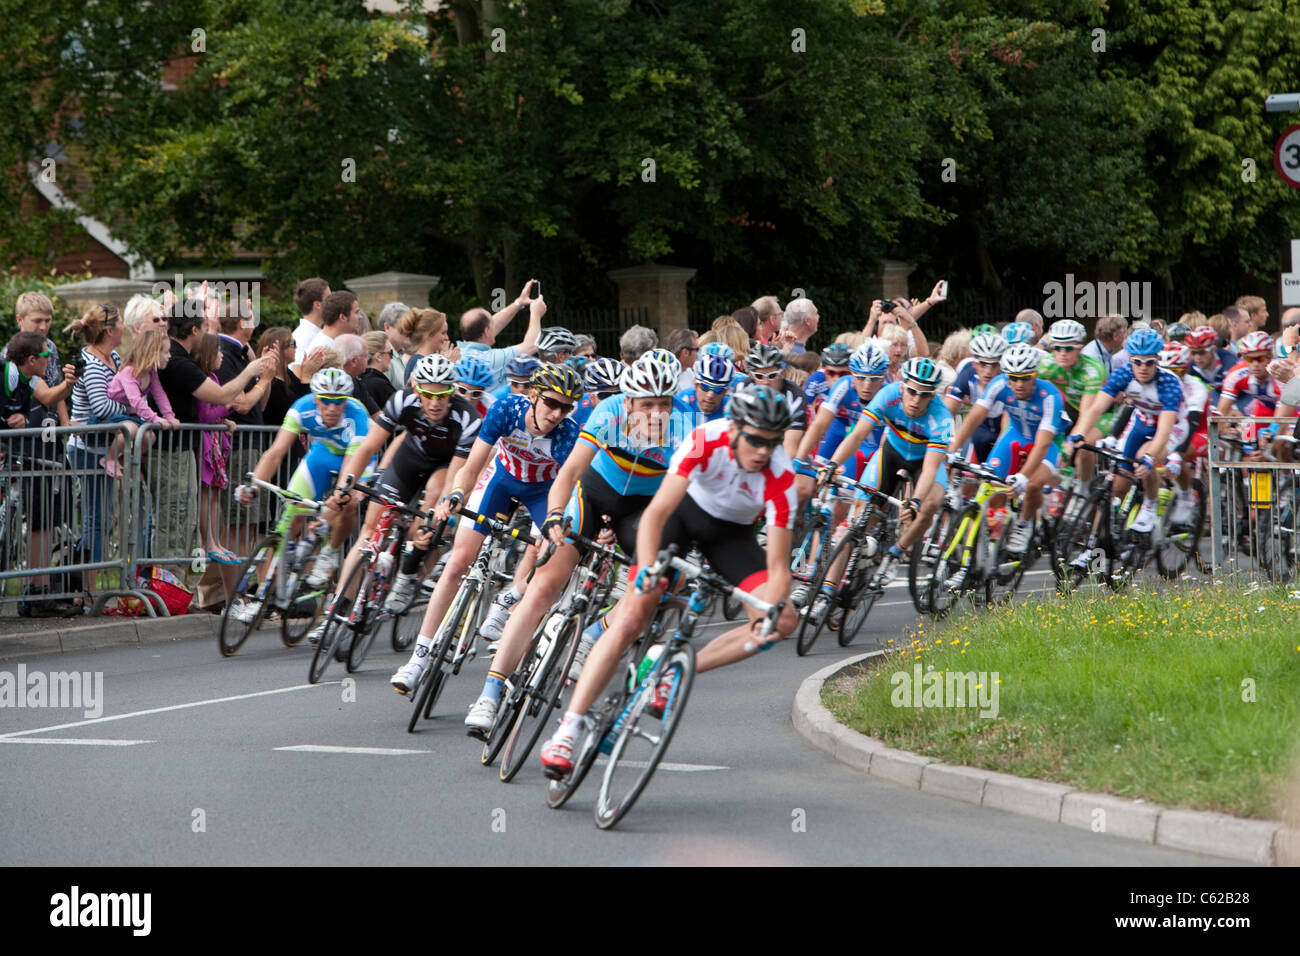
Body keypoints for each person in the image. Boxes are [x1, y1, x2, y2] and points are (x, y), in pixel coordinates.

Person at [539, 385, 800, 776]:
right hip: (679, 515)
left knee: (782, 620)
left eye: (773, 442)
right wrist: (646, 568)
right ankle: (568, 730)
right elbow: (658, 512)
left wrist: (770, 608)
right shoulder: (704, 441)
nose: (764, 451)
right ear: (734, 429)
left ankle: (673, 665)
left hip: (731, 536)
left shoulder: (781, 477)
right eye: (756, 440)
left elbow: (779, 568)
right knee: (632, 614)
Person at [457, 355, 693, 713]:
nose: (656, 414)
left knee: (651, 587)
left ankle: (594, 634)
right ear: (628, 401)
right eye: (647, 404)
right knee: (544, 586)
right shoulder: (610, 412)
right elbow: (569, 474)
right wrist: (553, 516)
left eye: (664, 403)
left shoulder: (683, 427)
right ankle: (490, 691)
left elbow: (688, 496)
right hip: (593, 495)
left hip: (641, 510)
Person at [387, 364, 585, 730]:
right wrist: (456, 493)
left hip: (543, 494)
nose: (556, 414)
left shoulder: (567, 435)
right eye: (552, 403)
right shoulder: (506, 410)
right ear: (534, 395)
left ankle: (509, 597)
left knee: (550, 560)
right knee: (459, 559)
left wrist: (555, 527)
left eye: (565, 407)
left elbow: (570, 491)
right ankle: (419, 657)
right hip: (501, 482)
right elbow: (473, 465)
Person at [306, 354, 480, 645]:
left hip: (445, 467)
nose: (434, 402)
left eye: (442, 395)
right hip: (409, 460)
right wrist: (345, 486)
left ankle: (409, 571)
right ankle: (336, 611)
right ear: (416, 390)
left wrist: (443, 509)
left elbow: (456, 475)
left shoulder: (468, 418)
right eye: (427, 394)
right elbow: (368, 447)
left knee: (430, 511)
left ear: (452, 392)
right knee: (369, 531)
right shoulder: (402, 401)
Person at [231, 368, 372, 623]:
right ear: (315, 398)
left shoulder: (357, 415)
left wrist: (336, 499)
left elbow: (351, 469)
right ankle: (263, 597)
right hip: (323, 454)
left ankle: (328, 551)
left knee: (347, 501)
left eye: (337, 402)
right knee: (291, 514)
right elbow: (275, 452)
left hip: (357, 459)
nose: (331, 407)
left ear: (346, 401)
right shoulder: (301, 407)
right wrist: (255, 486)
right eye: (325, 401)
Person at [155, 309, 271, 581]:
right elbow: (218, 398)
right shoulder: (180, 363)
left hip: (184, 447)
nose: (209, 332)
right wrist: (252, 373)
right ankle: (166, 584)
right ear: (194, 330)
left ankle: (177, 587)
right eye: (205, 326)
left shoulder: (182, 359)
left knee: (187, 517)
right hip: (173, 449)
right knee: (175, 518)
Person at [821, 357, 955, 588]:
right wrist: (832, 464)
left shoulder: (940, 417)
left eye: (924, 395)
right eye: (912, 391)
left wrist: (914, 501)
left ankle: (895, 553)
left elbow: (931, 468)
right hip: (892, 452)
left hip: (923, 462)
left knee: (930, 504)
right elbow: (856, 435)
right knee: (860, 516)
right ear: (902, 387)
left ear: (933, 396)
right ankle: (832, 586)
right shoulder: (889, 395)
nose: (916, 399)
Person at [948, 344, 1068, 556]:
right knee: (990, 484)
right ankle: (983, 544)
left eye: (1025, 378)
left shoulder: (1049, 395)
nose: (1018, 384)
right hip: (1016, 436)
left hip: (1047, 443)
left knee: (1032, 485)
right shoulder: (999, 383)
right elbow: (975, 416)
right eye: (1013, 378)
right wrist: (953, 448)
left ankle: (1024, 524)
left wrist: (1022, 476)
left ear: (1035, 376)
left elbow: (1042, 444)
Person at [1064, 328, 1184, 536]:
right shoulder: (1124, 374)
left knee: (1143, 458)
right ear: (1130, 360)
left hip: (1172, 427)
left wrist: (1149, 458)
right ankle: (1094, 547)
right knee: (1118, 486)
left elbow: (1164, 432)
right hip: (1142, 421)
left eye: (1149, 362)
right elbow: (1095, 409)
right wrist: (1077, 434)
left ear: (1157, 360)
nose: (1143, 368)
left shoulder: (1169, 383)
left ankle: (1150, 504)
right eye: (1137, 361)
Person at [2, 330, 81, 616]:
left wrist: (69, 382)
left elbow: (49, 396)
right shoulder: (7, 372)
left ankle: (37, 591)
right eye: (48, 356)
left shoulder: (31, 376)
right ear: (33, 359)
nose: (52, 359)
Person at [65, 302, 129, 606]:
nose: (124, 328)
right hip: (87, 450)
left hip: (103, 446)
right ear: (109, 330)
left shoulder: (113, 356)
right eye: (121, 323)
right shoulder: (91, 362)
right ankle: (86, 592)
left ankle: (86, 590)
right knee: (95, 520)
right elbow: (103, 409)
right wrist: (131, 411)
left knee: (102, 520)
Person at [456, 282, 544, 389]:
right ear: (486, 332)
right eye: (491, 322)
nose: (495, 322)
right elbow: (531, 345)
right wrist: (536, 313)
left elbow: (490, 325)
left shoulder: (458, 353)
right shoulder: (494, 359)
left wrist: (519, 303)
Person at [944, 332, 1006, 463]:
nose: (988, 371)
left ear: (1000, 365)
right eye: (983, 364)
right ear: (974, 363)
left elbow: (1008, 423)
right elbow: (946, 410)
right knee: (965, 478)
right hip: (980, 428)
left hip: (1005, 426)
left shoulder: (1007, 379)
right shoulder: (967, 373)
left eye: (994, 365)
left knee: (997, 475)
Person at [398, 307, 457, 384]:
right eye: (443, 333)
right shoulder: (418, 362)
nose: (447, 338)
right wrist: (448, 365)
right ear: (429, 335)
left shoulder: (421, 360)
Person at [676, 353, 733, 423]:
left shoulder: (731, 409)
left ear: (725, 392)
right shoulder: (682, 401)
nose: (710, 395)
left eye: (718, 389)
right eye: (705, 387)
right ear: (695, 384)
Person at [1081, 314, 1129, 378]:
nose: (1125, 336)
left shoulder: (1106, 351)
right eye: (1124, 333)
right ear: (1115, 336)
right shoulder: (1091, 355)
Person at [291, 278, 330, 355]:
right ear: (317, 304)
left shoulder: (309, 334)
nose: (332, 302)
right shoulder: (304, 338)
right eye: (329, 298)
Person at [359, 331, 397, 409]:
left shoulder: (358, 380)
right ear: (378, 357)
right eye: (390, 353)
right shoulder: (380, 385)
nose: (392, 357)